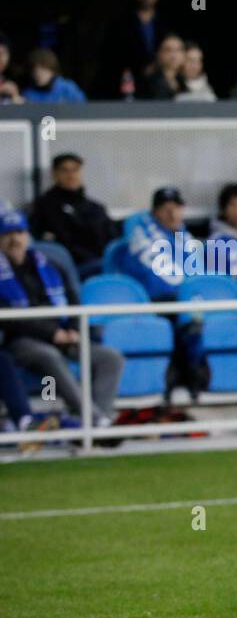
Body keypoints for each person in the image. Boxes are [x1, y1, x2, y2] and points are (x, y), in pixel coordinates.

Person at [0, 209, 123, 430]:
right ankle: (92, 419)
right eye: (7, 234)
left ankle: (100, 419)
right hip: (22, 341)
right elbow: (9, 319)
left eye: (19, 232)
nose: (14, 239)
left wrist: (75, 329)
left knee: (110, 358)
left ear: (28, 235)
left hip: (64, 335)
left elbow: (74, 301)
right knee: (49, 356)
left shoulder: (49, 265)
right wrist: (51, 334)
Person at [29, 153, 113, 273]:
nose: (71, 175)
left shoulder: (95, 207)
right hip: (71, 266)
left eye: (75, 170)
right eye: (65, 171)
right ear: (55, 174)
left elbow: (109, 236)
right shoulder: (45, 206)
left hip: (102, 262)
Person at [121, 187, 191, 300]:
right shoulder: (143, 235)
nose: (172, 215)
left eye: (176, 208)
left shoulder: (182, 235)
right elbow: (163, 287)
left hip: (183, 298)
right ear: (155, 213)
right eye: (166, 210)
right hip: (157, 301)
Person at [22, 49, 87, 103]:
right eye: (35, 71)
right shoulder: (28, 93)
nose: (38, 74)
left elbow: (83, 107)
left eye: (43, 70)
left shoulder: (67, 88)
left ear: (52, 70)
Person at [138, 33, 184, 100]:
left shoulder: (183, 81)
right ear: (159, 54)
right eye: (168, 50)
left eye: (178, 50)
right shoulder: (150, 83)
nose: (174, 55)